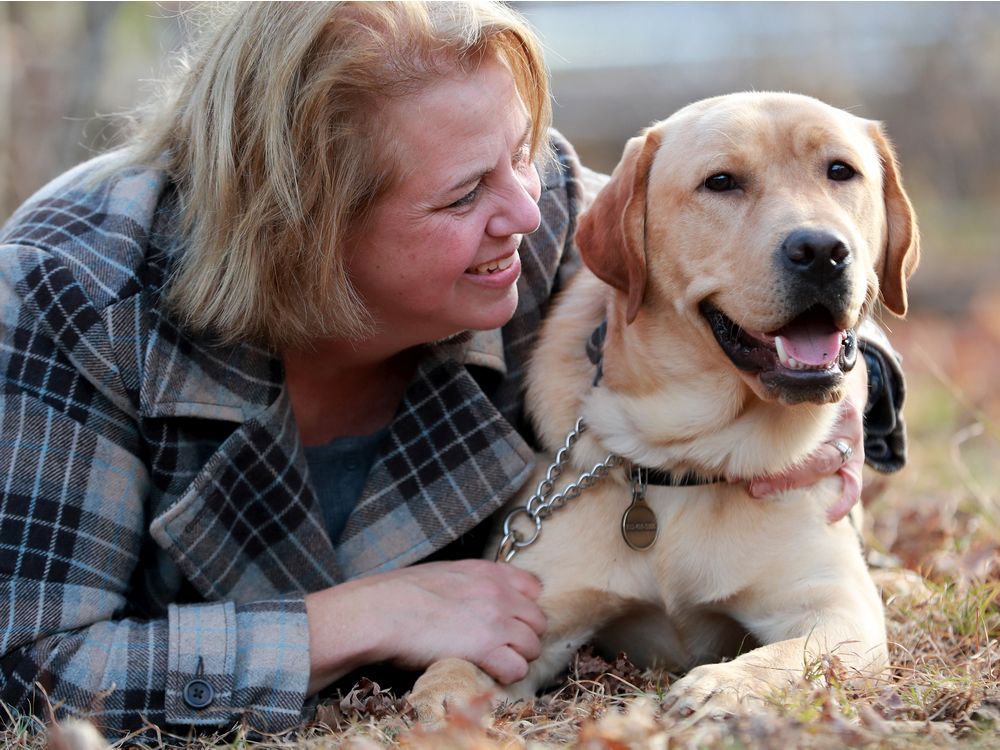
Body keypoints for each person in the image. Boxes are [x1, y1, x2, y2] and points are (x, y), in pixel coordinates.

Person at [0, 1, 906, 739]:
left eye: (519, 151)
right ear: (305, 230)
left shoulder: (539, 207)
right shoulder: (71, 297)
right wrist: (355, 620)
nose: (526, 206)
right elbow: (32, 663)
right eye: (465, 194)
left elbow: (736, 262)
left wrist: (847, 377)